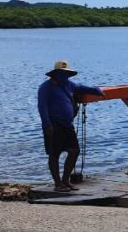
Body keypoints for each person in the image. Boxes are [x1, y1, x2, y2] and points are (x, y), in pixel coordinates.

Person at [38, 60, 104, 193]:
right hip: (53, 125)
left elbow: (81, 88)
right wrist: (47, 125)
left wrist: (97, 90)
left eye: (66, 73)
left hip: (68, 125)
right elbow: (42, 107)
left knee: (74, 151)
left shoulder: (68, 85)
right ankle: (57, 184)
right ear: (55, 73)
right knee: (54, 154)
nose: (65, 75)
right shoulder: (46, 87)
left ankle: (65, 180)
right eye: (62, 73)